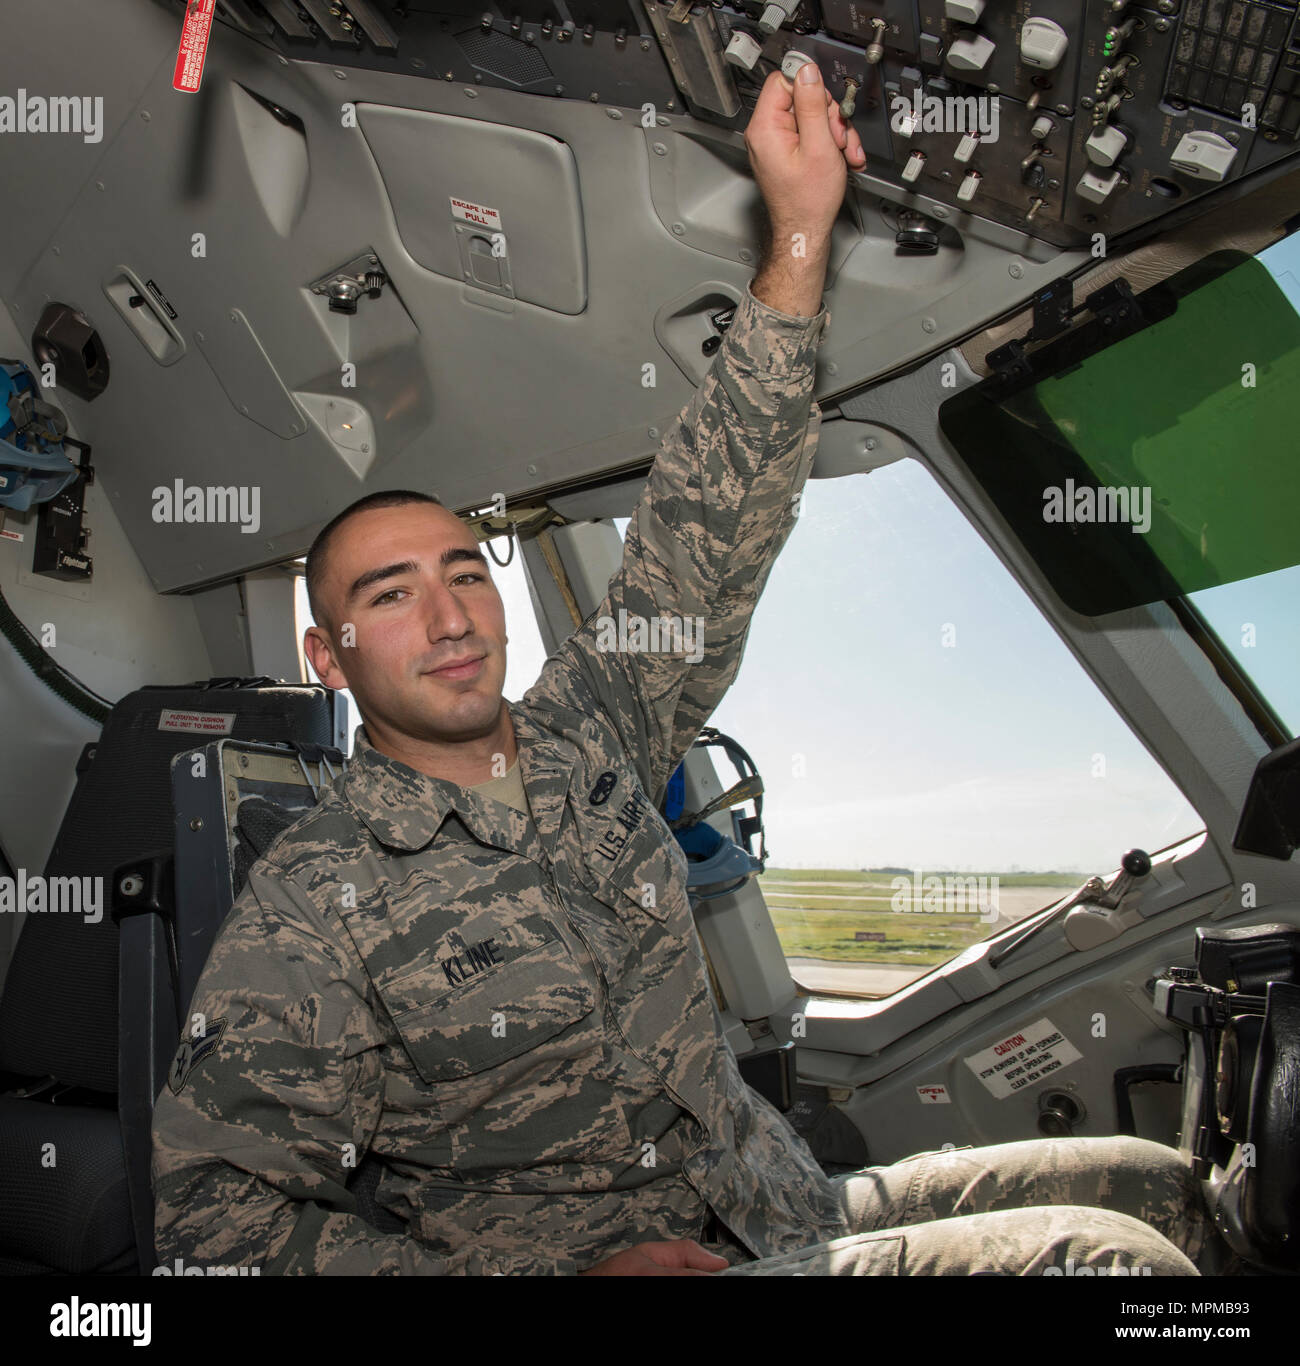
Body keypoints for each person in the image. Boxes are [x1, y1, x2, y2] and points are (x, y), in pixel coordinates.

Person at [151, 64, 1212, 1276]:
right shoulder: (311, 901)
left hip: (771, 1203)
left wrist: (802, 229)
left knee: (1155, 1184)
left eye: (465, 571)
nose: (448, 615)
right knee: (1109, 1265)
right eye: (389, 596)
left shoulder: (590, 728)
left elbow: (706, 526)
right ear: (325, 658)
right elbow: (214, 1227)